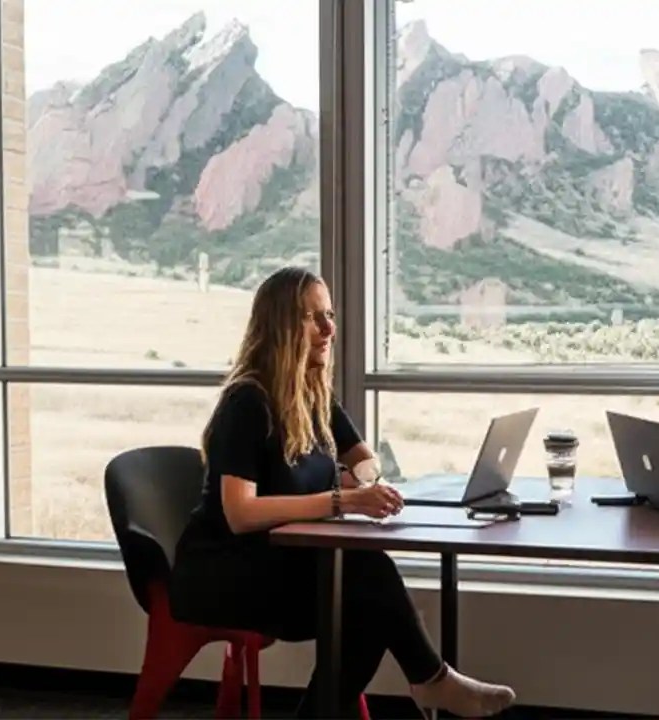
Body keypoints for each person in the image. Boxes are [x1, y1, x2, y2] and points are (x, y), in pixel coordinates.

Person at [168, 266, 515, 718]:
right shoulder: (247, 403)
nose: (329, 328)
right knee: (367, 579)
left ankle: (423, 684)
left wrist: (364, 480)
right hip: (224, 572)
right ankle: (433, 681)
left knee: (367, 597)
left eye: (329, 314)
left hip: (280, 562)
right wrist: (344, 499)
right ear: (281, 326)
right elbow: (240, 513)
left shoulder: (313, 393)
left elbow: (365, 461)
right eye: (313, 317)